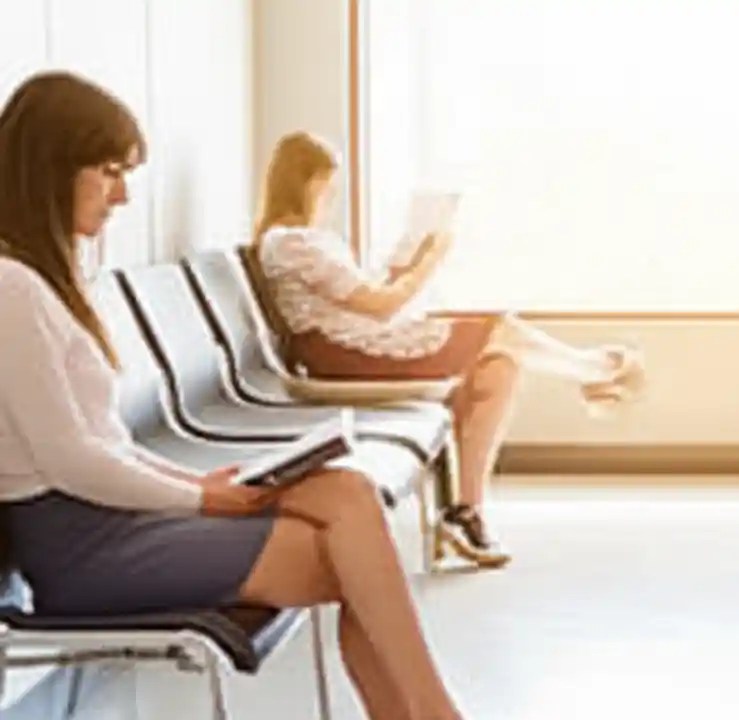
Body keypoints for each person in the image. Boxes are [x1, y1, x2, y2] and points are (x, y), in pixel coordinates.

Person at [0, 72, 464, 720]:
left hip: (112, 515)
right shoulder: (11, 288)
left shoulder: (43, 282)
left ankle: (430, 714)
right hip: (84, 546)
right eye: (109, 171)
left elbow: (105, 439)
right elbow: (72, 460)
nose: (124, 195)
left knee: (346, 492)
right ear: (49, 168)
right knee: (350, 561)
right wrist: (201, 497)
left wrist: (200, 485)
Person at [251, 132, 645, 569]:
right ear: (306, 184)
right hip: (345, 354)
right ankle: (597, 372)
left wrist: (407, 260)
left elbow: (369, 296)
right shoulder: (292, 242)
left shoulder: (303, 241)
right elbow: (382, 307)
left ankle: (466, 511)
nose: (331, 198)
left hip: (355, 344)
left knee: (500, 365)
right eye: (328, 187)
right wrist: (430, 260)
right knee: (499, 329)